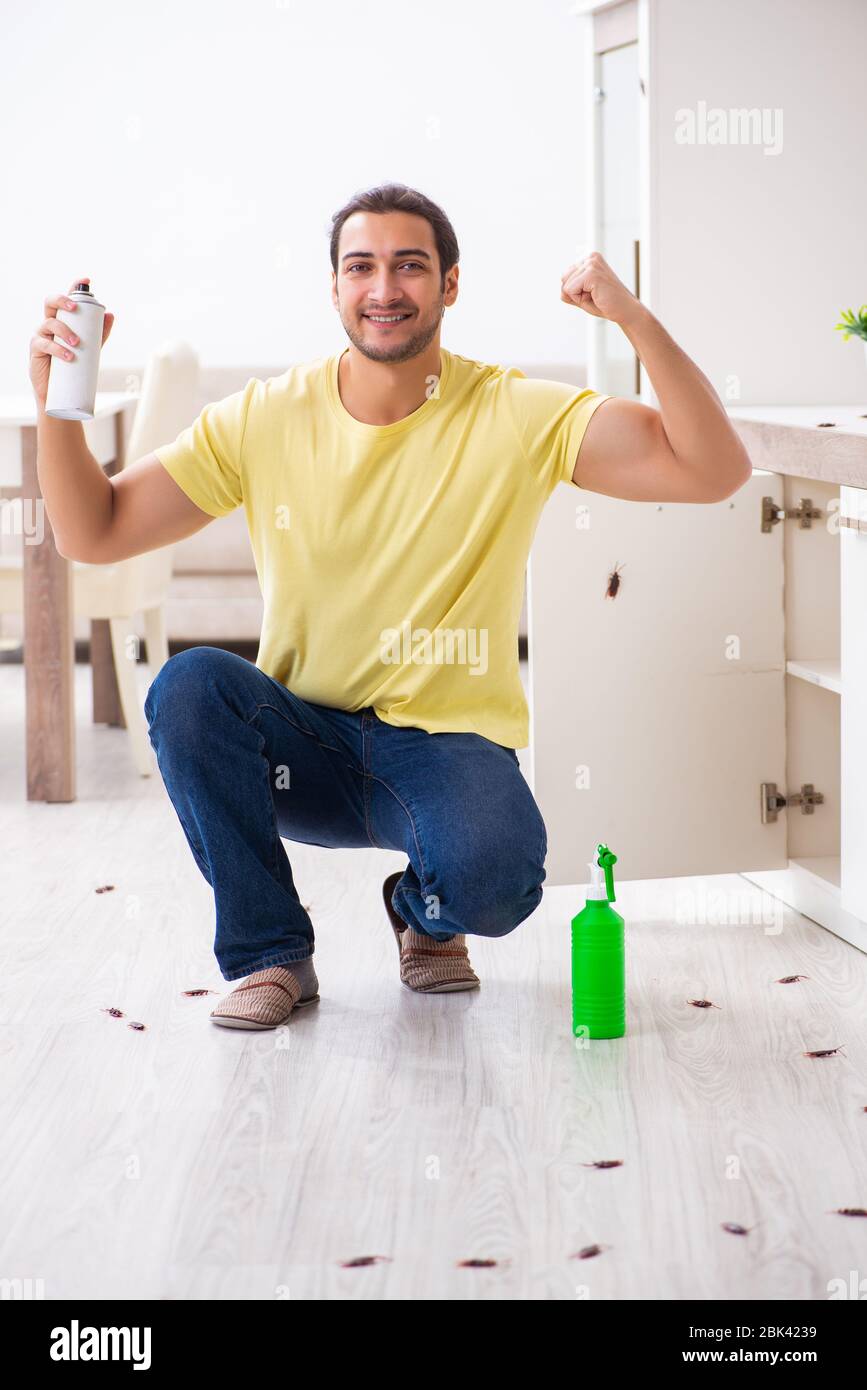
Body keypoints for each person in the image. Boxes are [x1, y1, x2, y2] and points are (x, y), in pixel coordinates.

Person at [29, 182, 751, 1031]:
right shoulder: (264, 416)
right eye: (361, 267)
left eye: (410, 267)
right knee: (187, 686)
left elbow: (713, 471)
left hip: (445, 752)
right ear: (334, 287)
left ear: (449, 285)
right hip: (303, 745)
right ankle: (269, 956)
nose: (383, 289)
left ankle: (422, 911)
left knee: (495, 883)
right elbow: (94, 531)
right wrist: (56, 402)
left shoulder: (515, 412)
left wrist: (632, 318)